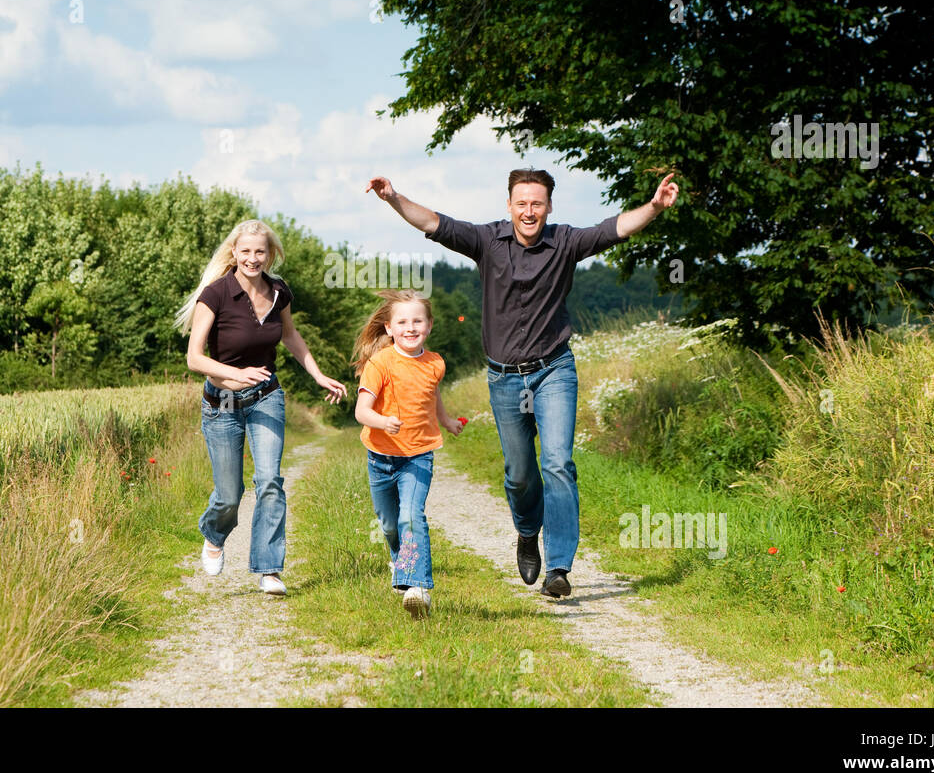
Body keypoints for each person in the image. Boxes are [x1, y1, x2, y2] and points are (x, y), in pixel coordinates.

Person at [365, 168, 679, 597]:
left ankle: (560, 568)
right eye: (521, 202)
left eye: (537, 203)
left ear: (549, 207)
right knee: (518, 475)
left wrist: (655, 207)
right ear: (509, 205)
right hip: (505, 379)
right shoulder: (487, 241)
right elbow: (433, 222)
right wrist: (393, 198)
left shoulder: (565, 241)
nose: (529, 211)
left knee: (557, 464)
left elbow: (614, 229)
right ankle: (528, 531)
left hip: (554, 371)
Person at [175, 219, 348, 595]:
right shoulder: (216, 294)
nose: (253, 258)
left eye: (260, 251)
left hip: (266, 397)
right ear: (234, 253)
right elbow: (194, 358)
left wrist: (318, 374)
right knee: (229, 494)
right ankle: (214, 533)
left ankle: (269, 569)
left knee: (270, 480)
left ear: (270, 255)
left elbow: (290, 336)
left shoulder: (278, 291)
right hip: (221, 403)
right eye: (246, 251)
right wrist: (234, 374)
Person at [352, 289, 464, 617]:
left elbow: (431, 394)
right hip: (381, 456)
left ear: (429, 326)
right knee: (389, 524)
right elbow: (362, 411)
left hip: (419, 455)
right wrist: (382, 421)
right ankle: (402, 562)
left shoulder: (435, 363)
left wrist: (446, 421)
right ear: (389, 328)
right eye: (402, 322)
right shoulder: (380, 362)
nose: (410, 327)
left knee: (411, 516)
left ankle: (417, 587)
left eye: (417, 321)